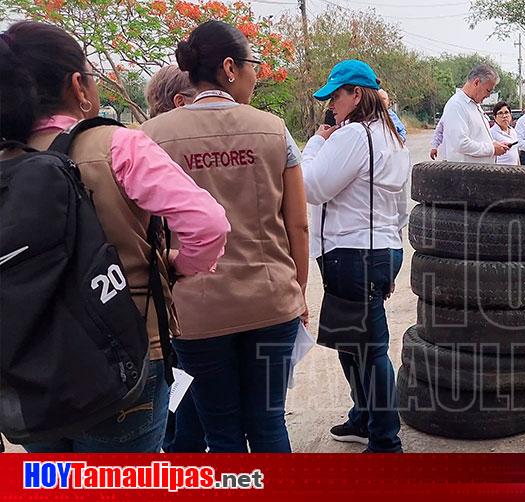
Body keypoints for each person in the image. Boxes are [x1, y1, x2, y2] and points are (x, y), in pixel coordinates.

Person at [0, 21, 229, 453]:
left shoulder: (7, 162)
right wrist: (179, 265)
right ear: (77, 85)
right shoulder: (117, 146)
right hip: (129, 358)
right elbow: (209, 223)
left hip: (31, 373)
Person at [140, 20, 309, 453]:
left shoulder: (149, 138)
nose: (257, 73)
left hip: (196, 313)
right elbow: (298, 225)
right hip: (272, 302)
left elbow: (144, 232)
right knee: (270, 425)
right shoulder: (273, 129)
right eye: (255, 63)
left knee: (221, 432)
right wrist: (299, 292)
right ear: (230, 68)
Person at [301, 59, 410, 453]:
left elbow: (310, 186)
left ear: (356, 95)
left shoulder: (351, 137)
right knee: (353, 341)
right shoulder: (394, 137)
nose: (332, 105)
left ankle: (385, 440)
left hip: (353, 253)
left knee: (370, 348)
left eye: (336, 96)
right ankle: (363, 416)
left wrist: (316, 142)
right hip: (381, 249)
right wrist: (390, 254)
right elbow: (400, 206)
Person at [144, 65, 208, 454]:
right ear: (180, 102)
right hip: (180, 296)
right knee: (187, 385)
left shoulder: (144, 146)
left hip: (165, 297)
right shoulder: (147, 152)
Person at [438, 64, 509, 163]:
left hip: (481, 172)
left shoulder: (475, 105)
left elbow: (478, 137)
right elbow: (460, 143)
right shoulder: (456, 105)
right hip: (467, 174)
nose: (488, 95)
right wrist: (491, 149)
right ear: (476, 83)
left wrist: (495, 145)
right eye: (488, 90)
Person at [489, 101, 519, 166]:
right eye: (500, 113)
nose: (504, 116)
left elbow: (516, 153)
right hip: (500, 170)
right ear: (494, 117)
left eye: (506, 112)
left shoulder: (513, 131)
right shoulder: (491, 133)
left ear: (510, 115)